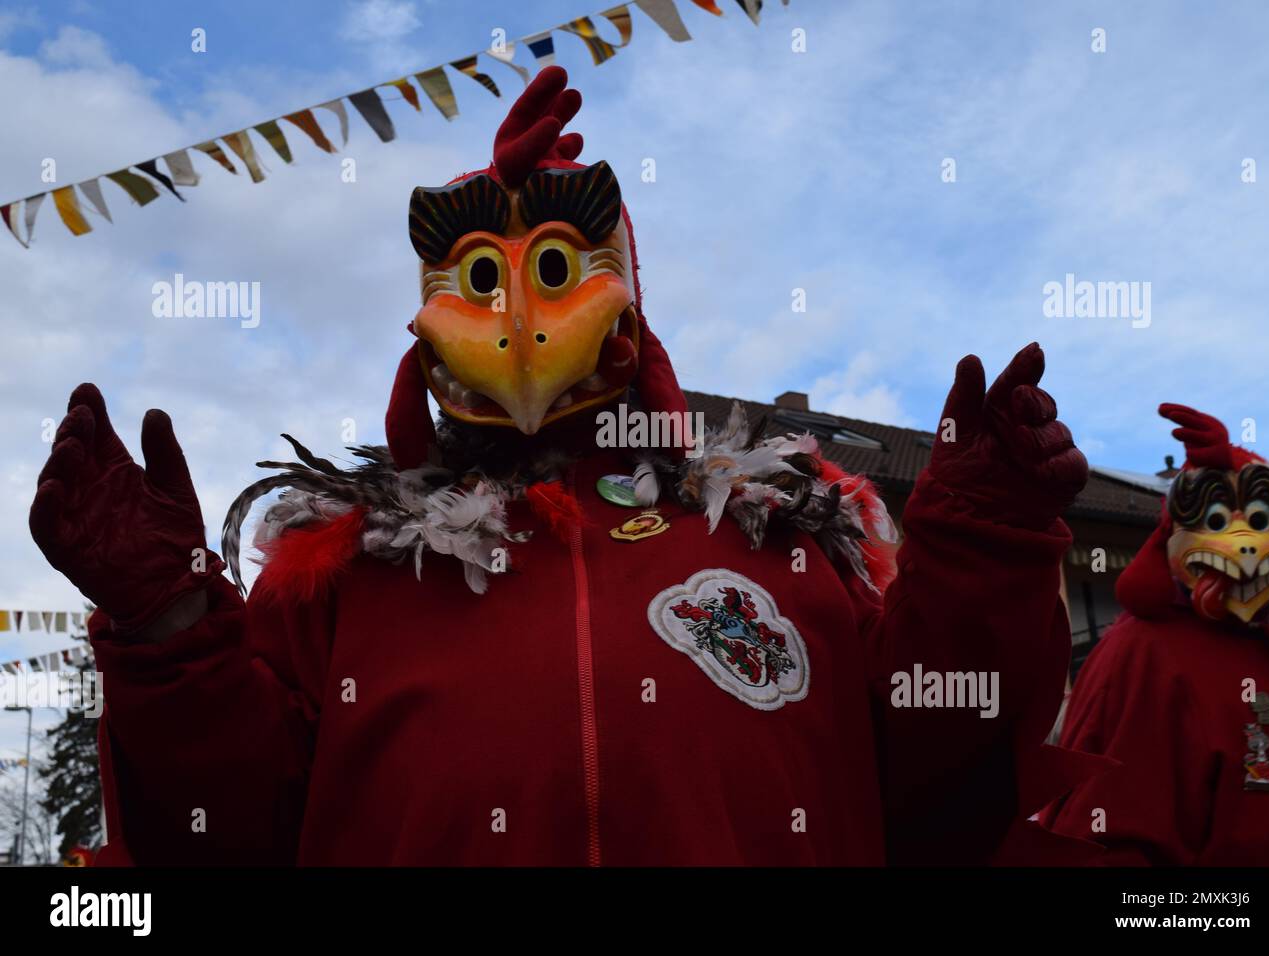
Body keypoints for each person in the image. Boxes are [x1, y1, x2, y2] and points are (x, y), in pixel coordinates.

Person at [31, 67, 1093, 866]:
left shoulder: (792, 542)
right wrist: (170, 626)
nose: (520, 317)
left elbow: (941, 795)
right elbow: (225, 840)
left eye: (553, 267)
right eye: (479, 276)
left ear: (628, 307)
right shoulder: (334, 576)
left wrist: (979, 559)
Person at [1040, 404, 1269, 864]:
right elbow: (1105, 845)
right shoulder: (1144, 653)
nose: (1245, 545)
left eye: (1260, 522)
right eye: (1219, 522)